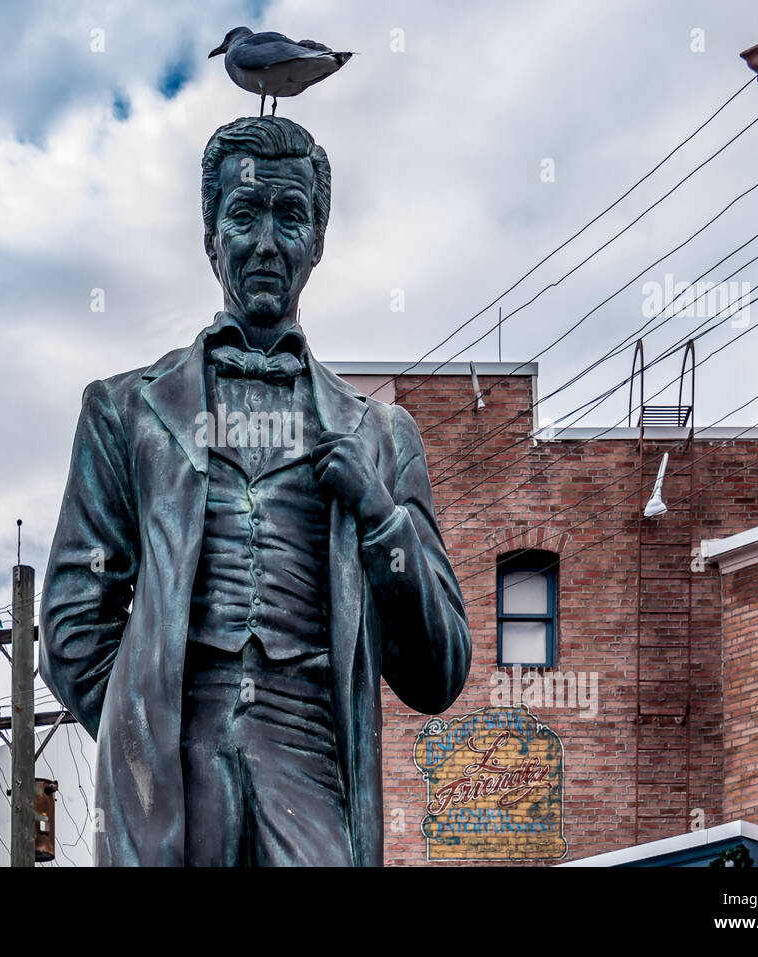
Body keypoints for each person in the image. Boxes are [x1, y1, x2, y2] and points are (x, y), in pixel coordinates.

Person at [40, 115, 470, 866]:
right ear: (210, 235)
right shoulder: (125, 411)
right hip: (174, 763)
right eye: (244, 215)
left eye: (289, 216)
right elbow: (74, 625)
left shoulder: (382, 435)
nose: (267, 242)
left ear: (318, 241)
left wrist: (380, 518)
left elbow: (438, 670)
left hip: (311, 751)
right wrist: (146, 726)